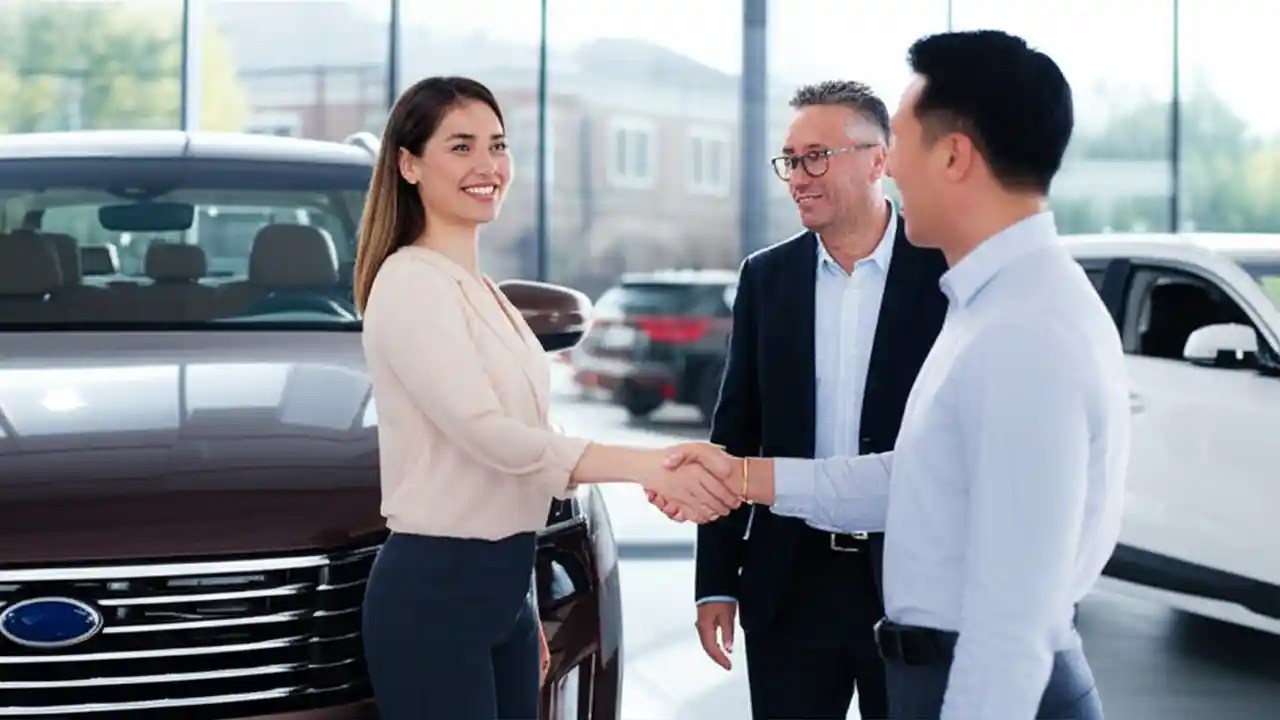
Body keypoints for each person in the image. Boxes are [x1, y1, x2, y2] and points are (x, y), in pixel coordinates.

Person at [660, 30, 1129, 720]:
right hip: (871, 628)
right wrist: (737, 479)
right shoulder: (992, 303)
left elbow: (1011, 623)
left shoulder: (1023, 329)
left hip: (976, 676)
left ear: (953, 156)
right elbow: (906, 480)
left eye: (903, 145)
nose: (899, 172)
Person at [353, 76, 742, 720]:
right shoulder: (409, 285)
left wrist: (519, 600)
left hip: (499, 589)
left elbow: (523, 444)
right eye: (460, 147)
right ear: (409, 163)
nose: (487, 166)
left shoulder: (484, 292)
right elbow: (488, 437)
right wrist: (648, 464)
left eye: (497, 145)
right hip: (436, 594)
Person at [664, 80, 947, 720]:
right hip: (789, 581)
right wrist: (716, 582)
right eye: (791, 159)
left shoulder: (944, 274)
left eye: (816, 156)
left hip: (909, 583)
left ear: (880, 160)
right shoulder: (767, 277)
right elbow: (735, 432)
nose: (799, 176)